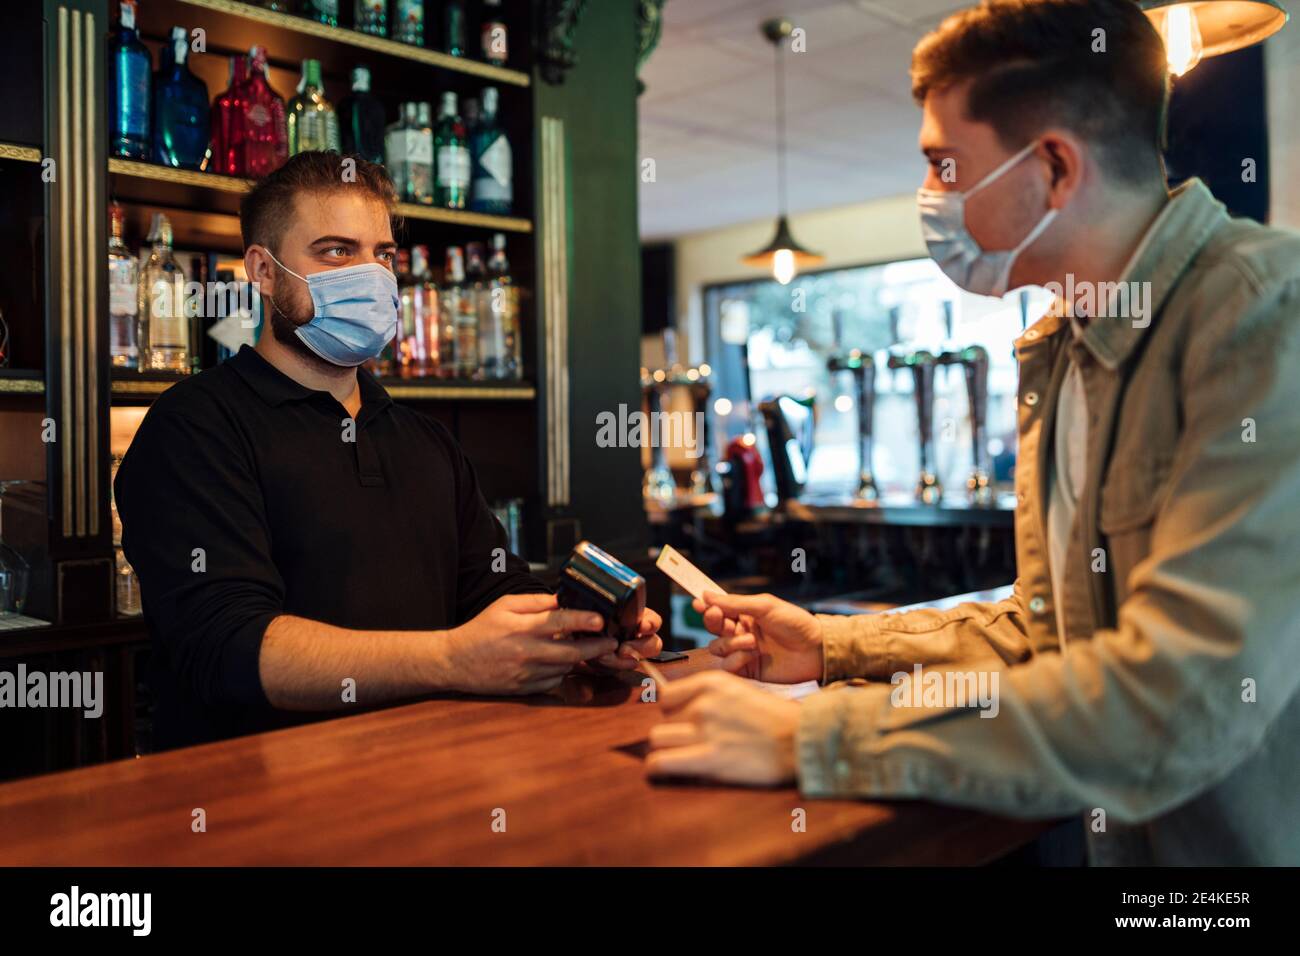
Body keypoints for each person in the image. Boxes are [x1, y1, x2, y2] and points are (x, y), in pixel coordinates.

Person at [646, 0, 1300, 865]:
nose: (933, 198)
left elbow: (1176, 701)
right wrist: (832, 647)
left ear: (1055, 168)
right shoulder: (1065, 351)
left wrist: (816, 740)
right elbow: (1047, 633)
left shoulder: (1262, 315)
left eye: (946, 166)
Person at [116, 151, 661, 750]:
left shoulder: (425, 441)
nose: (371, 274)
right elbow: (228, 648)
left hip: (430, 777)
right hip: (255, 806)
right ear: (263, 271)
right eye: (336, 251)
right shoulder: (192, 429)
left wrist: (576, 638)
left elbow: (495, 589)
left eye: (383, 255)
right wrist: (451, 658)